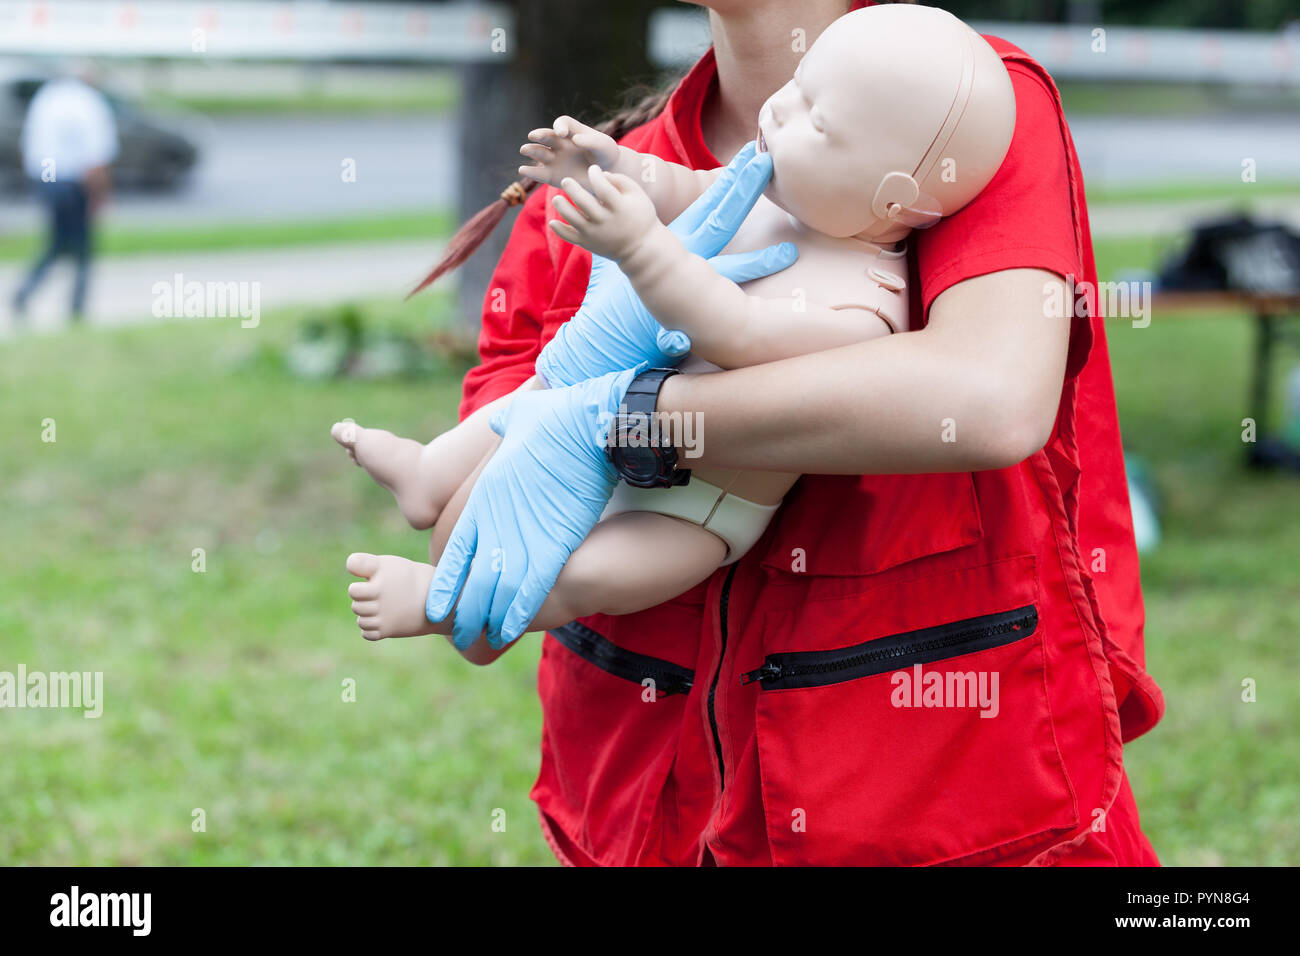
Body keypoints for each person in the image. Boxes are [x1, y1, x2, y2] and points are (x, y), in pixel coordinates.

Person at [375, 0, 1167, 866]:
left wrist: (615, 417)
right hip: (642, 812)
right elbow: (474, 544)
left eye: (819, 116)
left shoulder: (964, 103)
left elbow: (984, 401)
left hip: (937, 811)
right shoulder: (601, 189)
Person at [11, 62, 118, 325]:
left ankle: (26, 292)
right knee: (82, 247)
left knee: (58, 241)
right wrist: (100, 195)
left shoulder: (48, 96)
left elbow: (30, 144)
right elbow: (96, 158)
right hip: (74, 181)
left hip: (46, 178)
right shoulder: (90, 103)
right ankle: (76, 310)